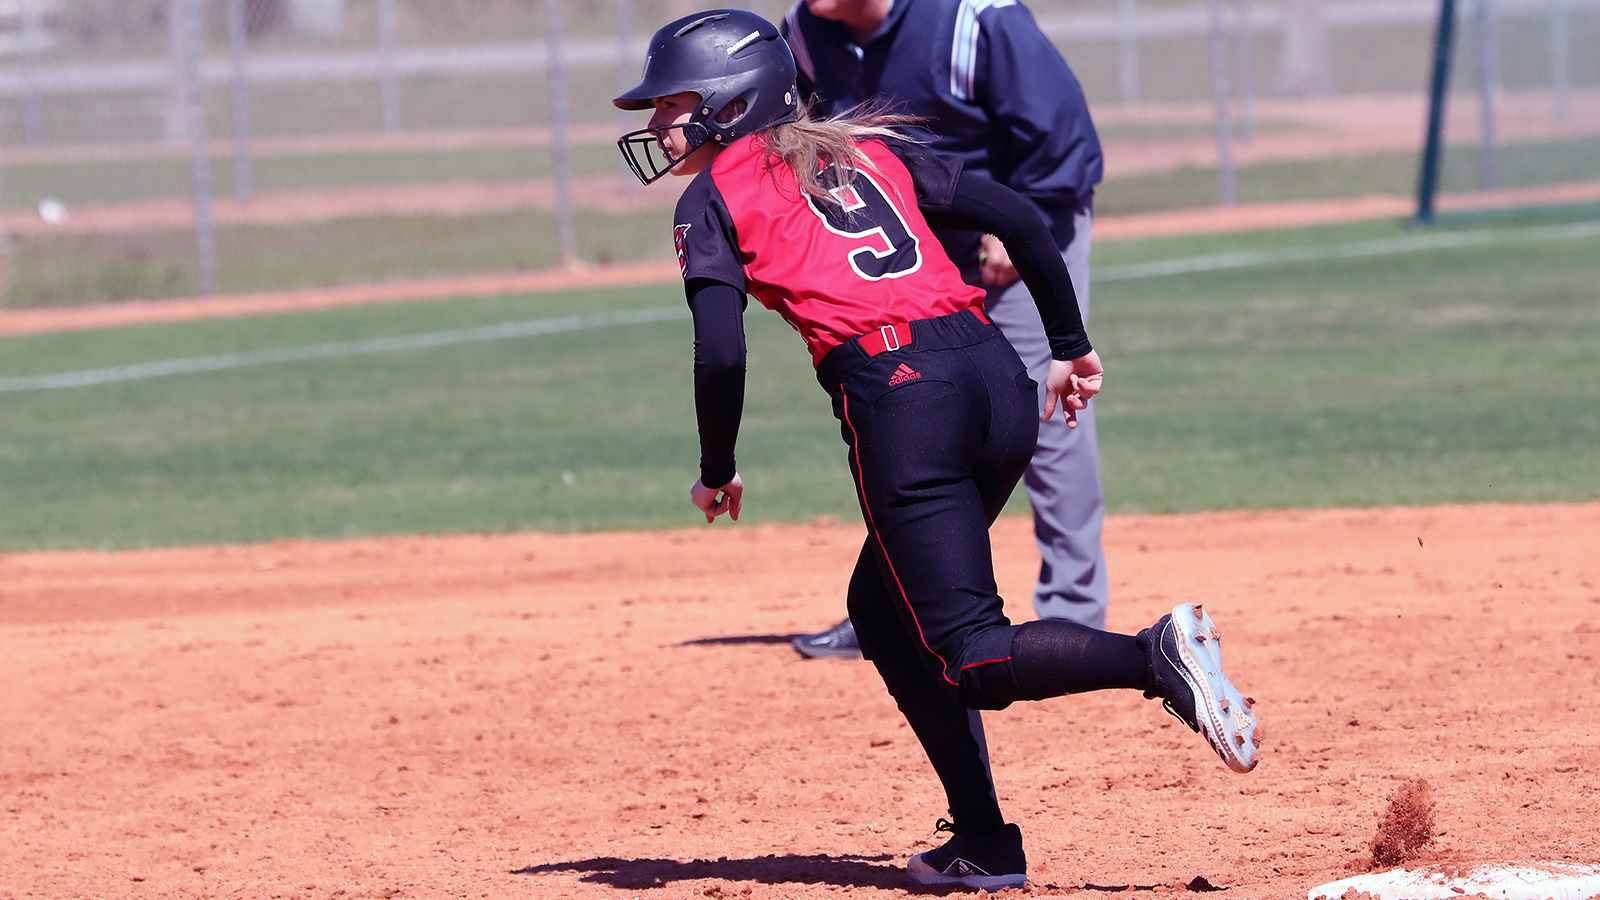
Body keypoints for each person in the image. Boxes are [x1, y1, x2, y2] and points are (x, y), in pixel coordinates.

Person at [614, 9, 1263, 891]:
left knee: (970, 654)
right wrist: (1069, 346)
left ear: (731, 103)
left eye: (674, 102)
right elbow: (1023, 219)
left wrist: (718, 466)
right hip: (996, 379)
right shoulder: (868, 149)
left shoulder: (711, 197)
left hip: (904, 400)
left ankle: (1154, 655)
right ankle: (985, 844)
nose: (658, 125)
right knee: (882, 614)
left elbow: (720, 349)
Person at [782, 0, 1110, 659]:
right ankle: (895, 607)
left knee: (1043, 414)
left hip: (1017, 232)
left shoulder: (974, 19)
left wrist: (1019, 230)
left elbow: (1064, 135)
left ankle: (1074, 610)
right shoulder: (806, 33)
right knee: (913, 423)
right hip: (911, 250)